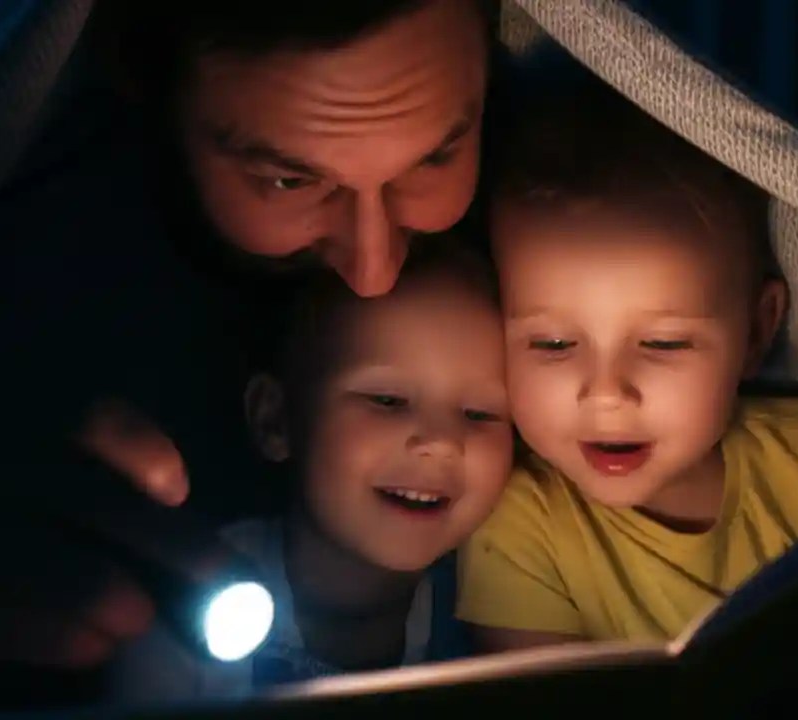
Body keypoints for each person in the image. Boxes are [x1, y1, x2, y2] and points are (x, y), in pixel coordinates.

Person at [0, 0, 492, 708]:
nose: (374, 269)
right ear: (147, 80)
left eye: (435, 155)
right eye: (289, 180)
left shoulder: (529, 213)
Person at [455, 56, 798, 651]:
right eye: (555, 343)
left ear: (755, 332)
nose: (608, 391)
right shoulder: (518, 526)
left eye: (663, 343)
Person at [111, 238, 511, 703]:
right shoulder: (187, 595)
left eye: (480, 414)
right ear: (275, 420)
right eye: (387, 401)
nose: (441, 443)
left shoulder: (503, 609)